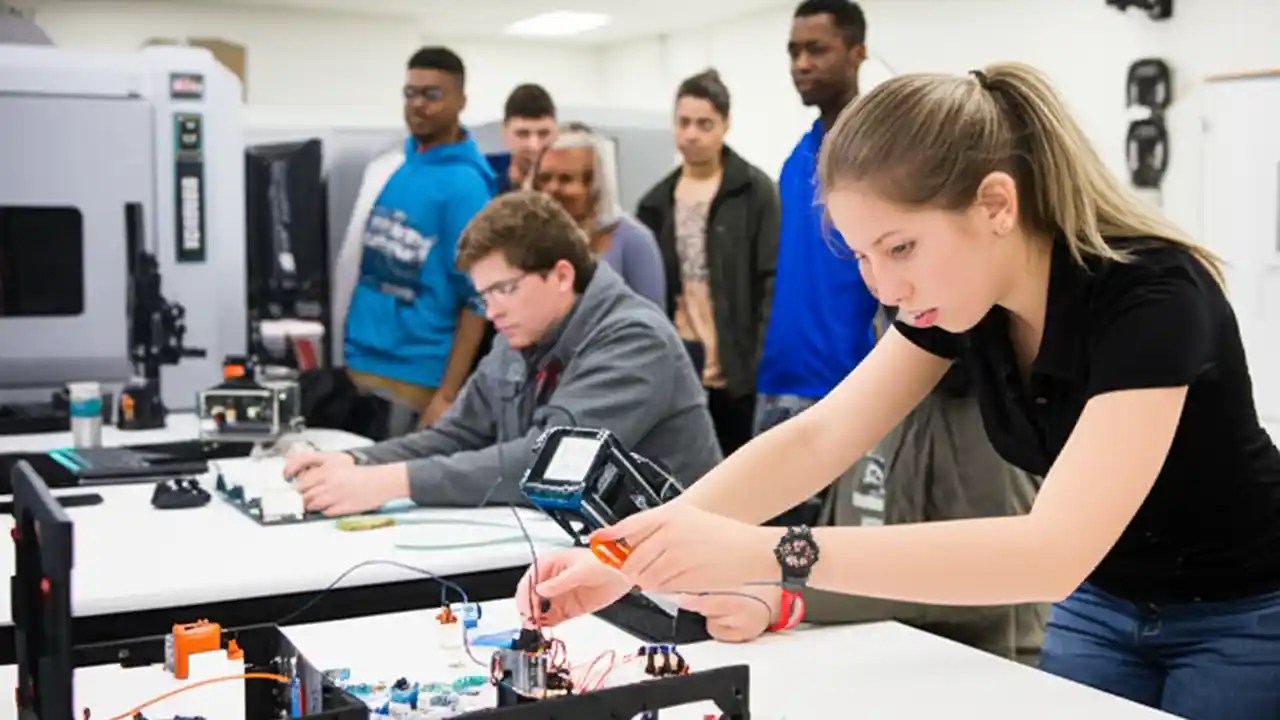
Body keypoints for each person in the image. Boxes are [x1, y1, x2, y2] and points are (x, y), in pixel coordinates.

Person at [516, 61, 1280, 720]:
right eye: (862, 257)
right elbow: (820, 437)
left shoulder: (1152, 297)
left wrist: (768, 553)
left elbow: (1051, 552)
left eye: (901, 247)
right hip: (1102, 602)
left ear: (996, 205)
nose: (885, 286)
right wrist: (625, 553)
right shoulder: (963, 297)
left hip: (1242, 609)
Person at [284, 191, 722, 513]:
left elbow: (548, 462)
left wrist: (391, 482)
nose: (491, 311)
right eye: (484, 296)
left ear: (562, 276)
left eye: (504, 290)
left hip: (678, 569)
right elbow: (455, 435)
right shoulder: (522, 333)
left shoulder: (634, 340)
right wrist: (357, 461)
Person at [756, 0, 880, 523]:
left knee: (841, 554)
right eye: (794, 51)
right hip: (781, 383)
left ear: (857, 53)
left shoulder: (881, 152)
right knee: (764, 549)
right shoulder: (798, 156)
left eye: (817, 50)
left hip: (853, 390)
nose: (801, 64)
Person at [333, 46, 494, 430]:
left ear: (461, 101)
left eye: (432, 95)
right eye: (411, 93)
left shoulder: (467, 185)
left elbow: (477, 299)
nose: (418, 104)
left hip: (416, 377)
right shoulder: (395, 165)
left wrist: (447, 396)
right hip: (361, 363)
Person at [636, 69, 780, 457]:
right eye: (683, 122)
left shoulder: (755, 192)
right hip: (680, 359)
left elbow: (770, 279)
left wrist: (758, 362)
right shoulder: (655, 202)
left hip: (737, 367)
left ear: (725, 125)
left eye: (704, 124)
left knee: (740, 466)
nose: (692, 134)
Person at [533, 125, 667, 312]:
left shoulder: (634, 240)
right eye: (545, 178)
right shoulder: (530, 238)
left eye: (565, 179)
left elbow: (653, 320)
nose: (552, 188)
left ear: (595, 186)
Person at [499, 84, 558, 194]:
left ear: (556, 133)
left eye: (543, 134)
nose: (534, 146)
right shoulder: (483, 184)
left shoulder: (573, 188)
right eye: (523, 134)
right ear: (504, 132)